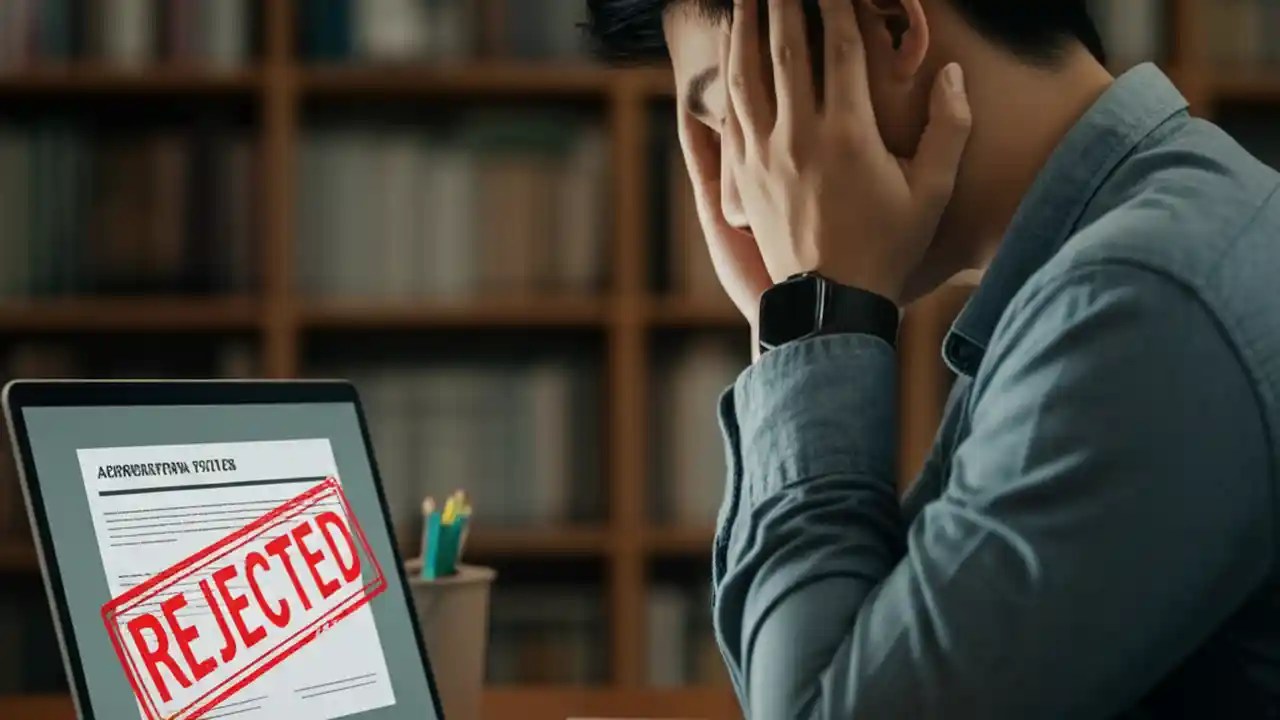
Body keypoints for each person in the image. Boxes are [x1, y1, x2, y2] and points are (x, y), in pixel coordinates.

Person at [586, 0, 1280, 717]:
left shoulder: (1139, 304)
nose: (733, 199)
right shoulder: (1135, 256)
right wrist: (791, 328)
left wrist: (812, 328)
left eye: (737, 119)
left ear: (890, 26)